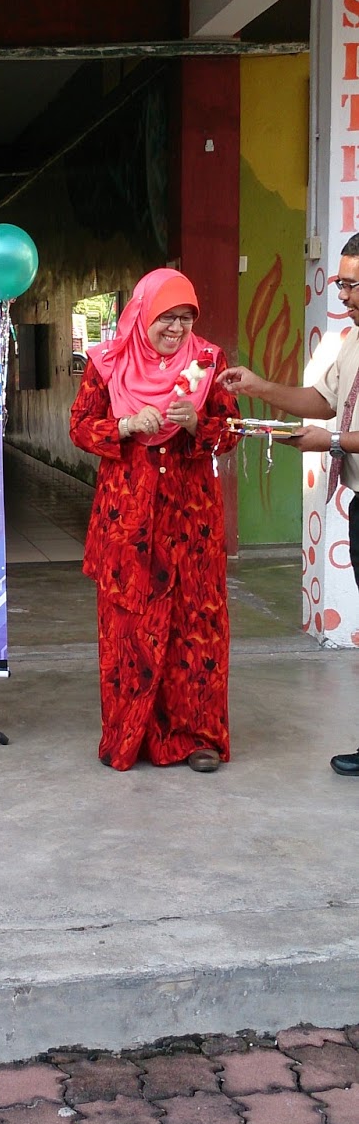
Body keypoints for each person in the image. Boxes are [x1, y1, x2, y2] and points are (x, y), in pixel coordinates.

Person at [70, 267, 239, 773]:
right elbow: (79, 427)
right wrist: (123, 425)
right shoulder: (105, 364)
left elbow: (231, 429)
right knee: (130, 628)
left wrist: (200, 425)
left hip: (192, 520)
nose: (177, 329)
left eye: (187, 318)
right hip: (129, 519)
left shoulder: (209, 361)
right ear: (143, 313)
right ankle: (130, 736)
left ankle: (197, 738)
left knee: (197, 627)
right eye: (168, 317)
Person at [219, 231, 359, 775]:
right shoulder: (350, 341)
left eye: (350, 284)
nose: (342, 294)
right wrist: (259, 386)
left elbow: (335, 429)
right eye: (341, 282)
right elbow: (322, 401)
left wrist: (335, 443)